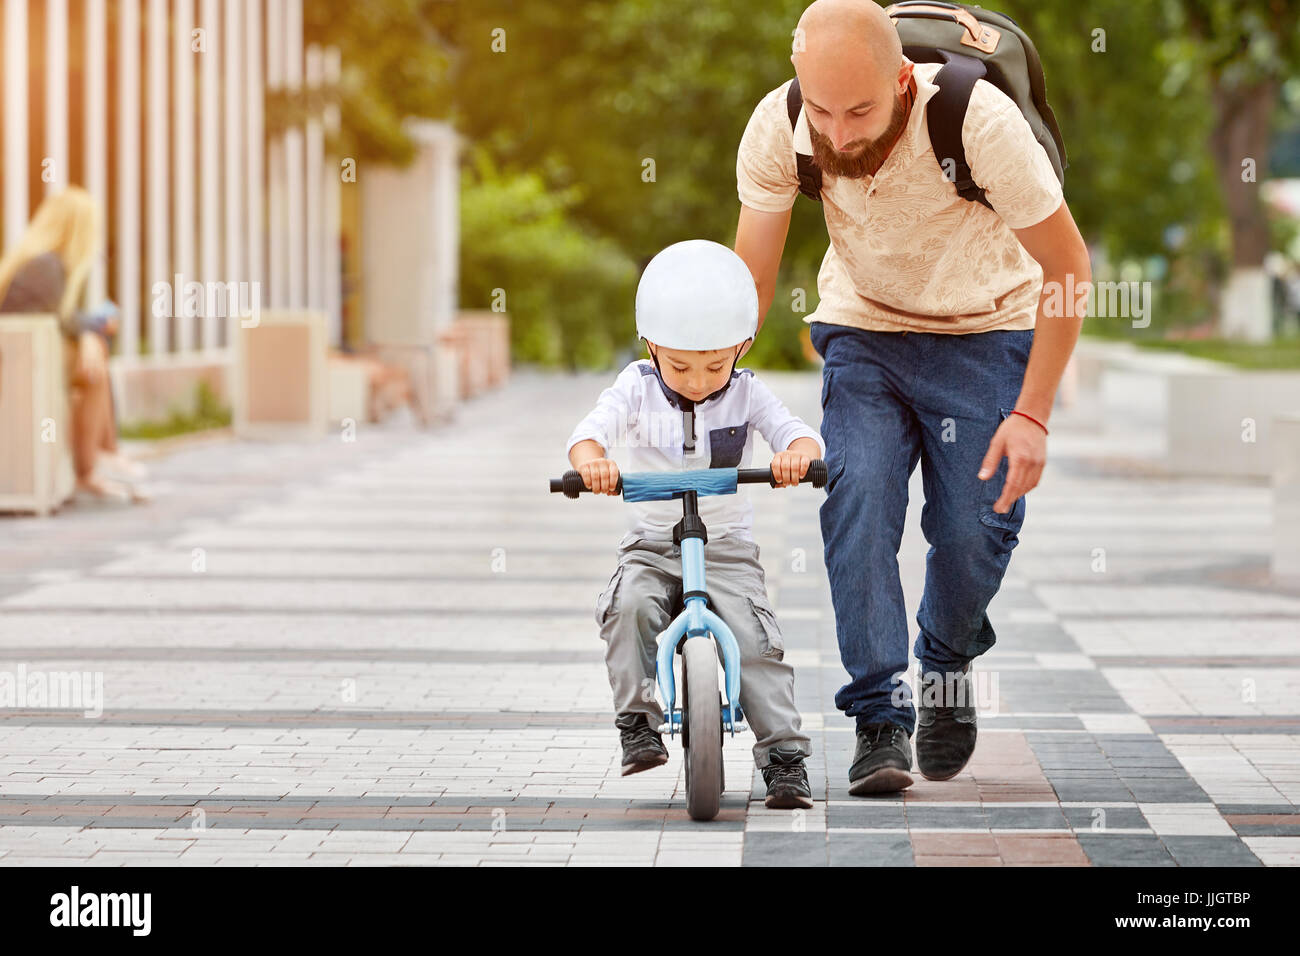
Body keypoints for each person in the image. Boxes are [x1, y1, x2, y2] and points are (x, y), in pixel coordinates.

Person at [733, 0, 1090, 794]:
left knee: (973, 532)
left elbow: (1067, 270)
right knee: (855, 496)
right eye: (822, 109)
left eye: (860, 110)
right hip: (864, 334)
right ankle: (878, 717)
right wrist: (709, 381)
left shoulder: (976, 120)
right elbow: (754, 274)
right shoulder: (784, 123)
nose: (840, 131)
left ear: (901, 80)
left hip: (986, 333)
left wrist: (1032, 413)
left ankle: (947, 659)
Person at [566, 240, 825, 810]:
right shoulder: (634, 386)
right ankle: (637, 720)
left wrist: (796, 457)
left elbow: (796, 433)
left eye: (716, 364)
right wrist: (594, 465)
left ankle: (785, 759)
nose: (699, 380)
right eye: (681, 365)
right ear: (652, 346)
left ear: (742, 346)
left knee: (756, 642)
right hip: (651, 545)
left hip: (725, 547)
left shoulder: (748, 392)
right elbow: (590, 434)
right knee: (627, 606)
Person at [0, 186, 145, 501]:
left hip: (23, 359)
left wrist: (89, 330)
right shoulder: (47, 266)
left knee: (94, 353)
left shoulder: (39, 263)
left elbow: (58, 315)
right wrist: (89, 334)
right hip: (21, 364)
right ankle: (93, 465)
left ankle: (101, 457)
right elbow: (51, 318)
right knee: (93, 361)